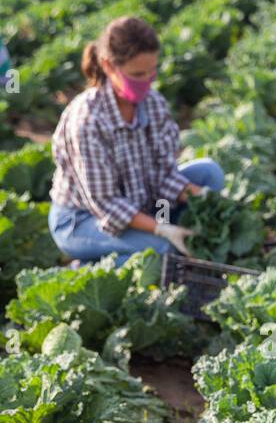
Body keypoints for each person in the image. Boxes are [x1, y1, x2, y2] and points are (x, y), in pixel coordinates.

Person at [47, 15, 224, 265]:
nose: (147, 81)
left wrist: (200, 195)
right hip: (85, 220)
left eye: (152, 71)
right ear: (109, 66)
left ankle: (143, 243)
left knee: (209, 174)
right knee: (162, 251)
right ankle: (88, 268)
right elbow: (106, 204)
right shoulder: (87, 120)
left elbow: (164, 174)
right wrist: (162, 229)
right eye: (137, 74)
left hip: (141, 203)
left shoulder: (153, 103)